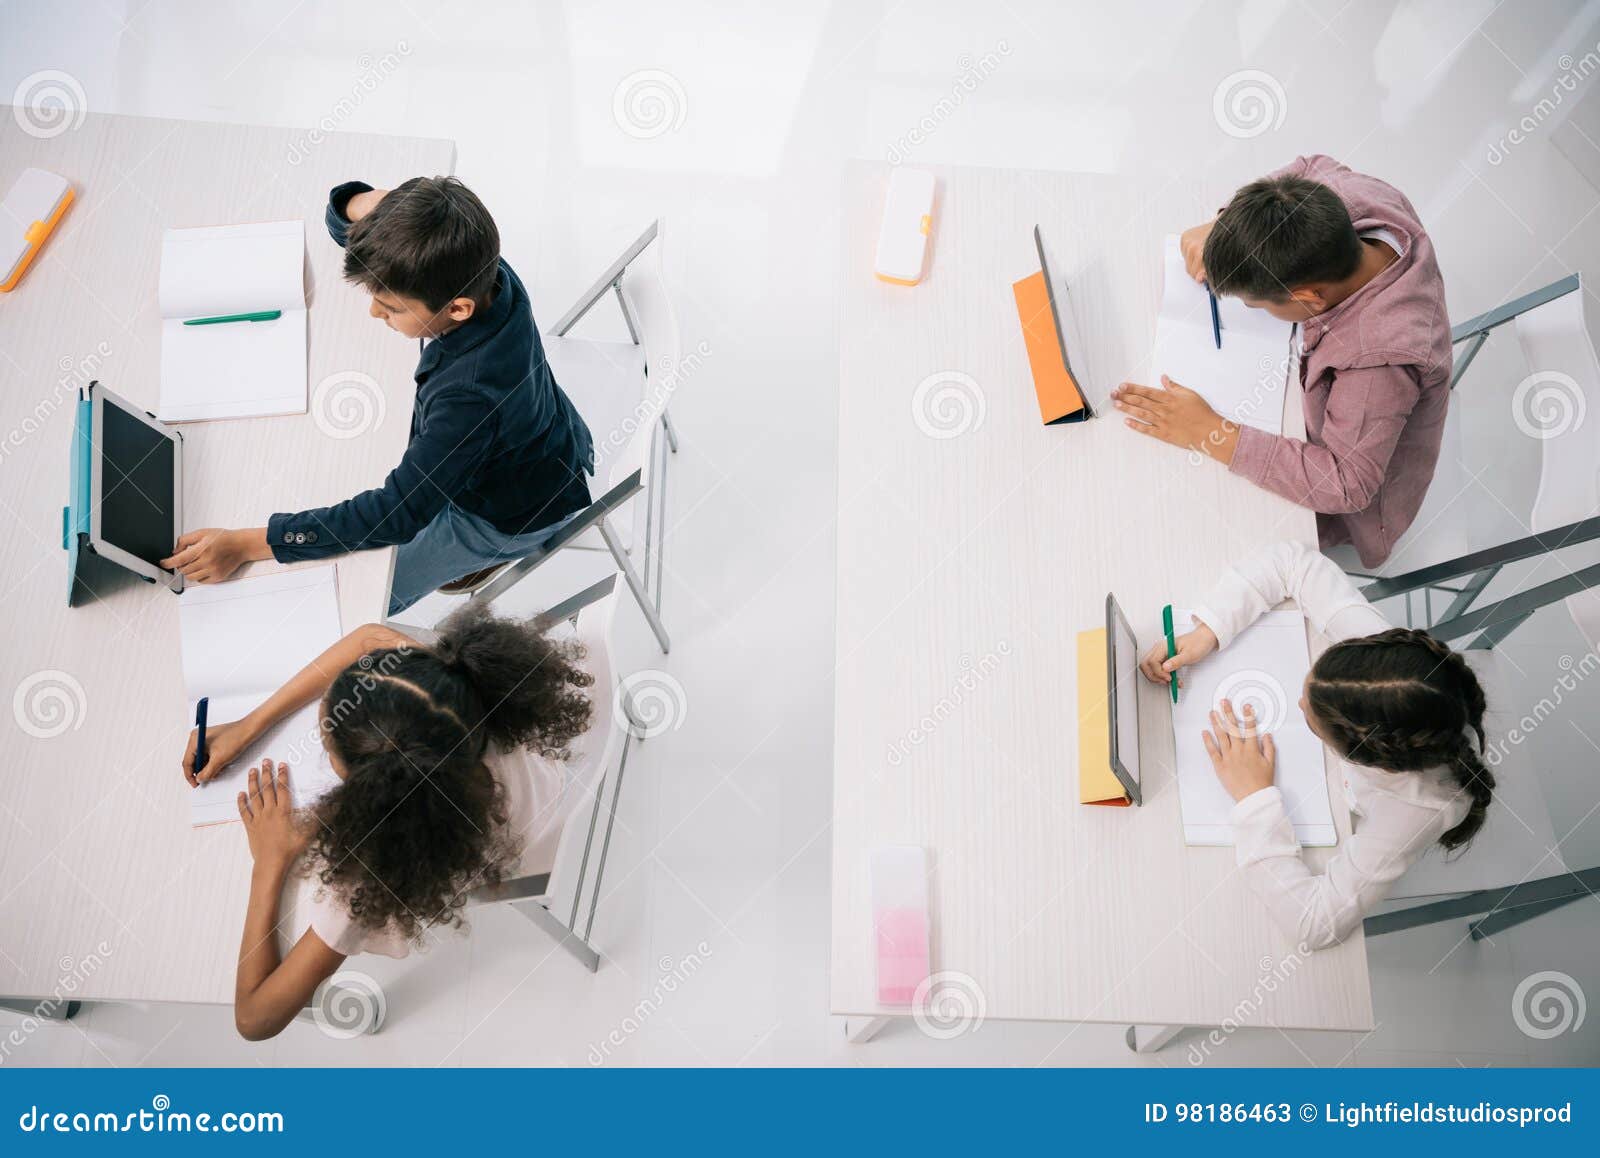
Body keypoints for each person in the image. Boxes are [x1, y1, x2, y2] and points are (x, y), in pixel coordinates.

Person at [161, 177, 595, 613]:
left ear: (458, 309)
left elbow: (396, 514)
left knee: (358, 598)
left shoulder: (469, 400)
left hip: (507, 513)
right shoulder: (480, 264)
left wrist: (248, 544)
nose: (375, 313)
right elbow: (343, 223)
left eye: (393, 308)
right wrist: (389, 210)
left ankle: (473, 560)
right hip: (541, 435)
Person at [180, 602, 593, 1040]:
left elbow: (256, 1018)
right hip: (550, 792)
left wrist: (269, 863)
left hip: (524, 843)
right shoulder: (444, 702)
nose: (325, 719)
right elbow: (367, 640)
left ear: (369, 786)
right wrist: (248, 725)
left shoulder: (371, 878)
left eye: (326, 739)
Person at [1141, 539, 1494, 948]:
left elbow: (1314, 927)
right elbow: (1290, 560)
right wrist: (1210, 629)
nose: (1297, 704)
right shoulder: (1374, 653)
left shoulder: (1416, 808)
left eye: (1310, 719)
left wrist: (1254, 799)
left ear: (1362, 758)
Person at [1112, 156, 1451, 568]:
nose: (1249, 308)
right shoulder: (1342, 195)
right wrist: (1227, 228)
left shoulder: (1378, 364)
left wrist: (1210, 432)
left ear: (1309, 298)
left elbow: (1346, 484)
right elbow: (1309, 165)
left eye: (1254, 304)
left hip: (1346, 487)